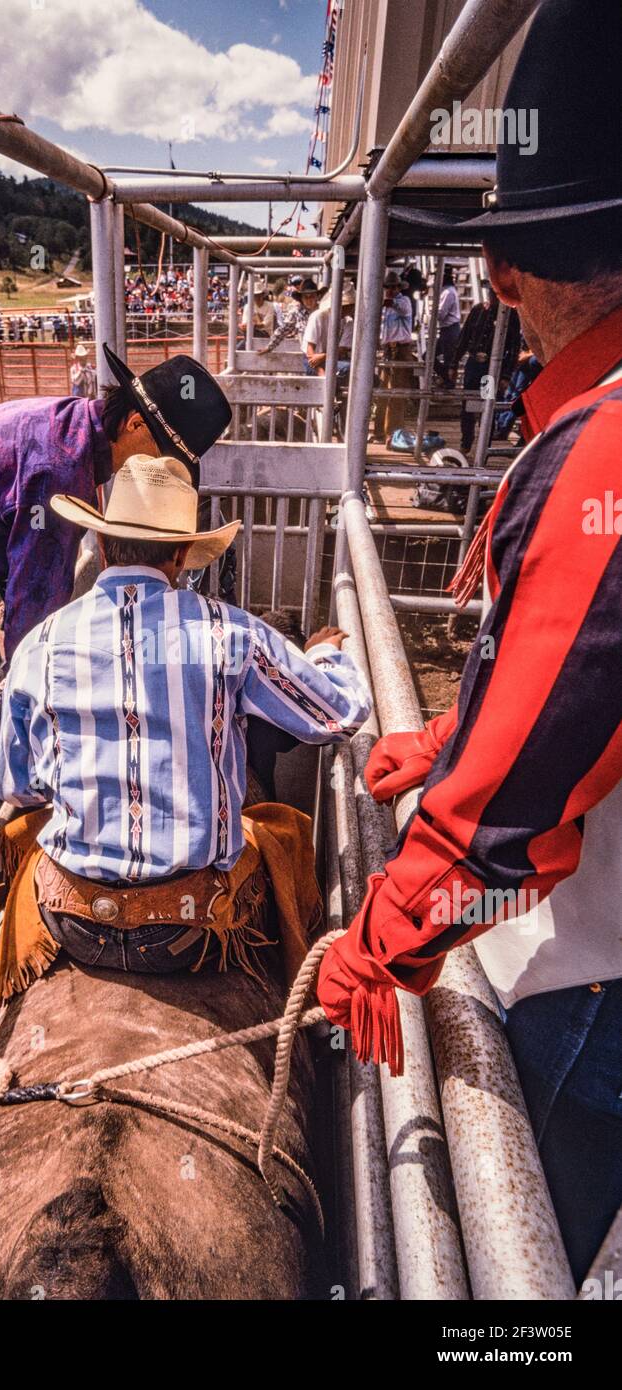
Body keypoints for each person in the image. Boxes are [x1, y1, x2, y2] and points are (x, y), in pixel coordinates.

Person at [318, 0, 622, 1285]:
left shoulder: (604, 448)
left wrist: (384, 932)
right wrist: (454, 728)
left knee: (523, 1238)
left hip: (601, 971)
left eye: (521, 247)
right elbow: (584, 683)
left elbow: (510, 818)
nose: (493, 278)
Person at [0, 453, 372, 989]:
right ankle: (308, 1000)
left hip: (73, 919)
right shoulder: (228, 633)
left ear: (100, 545)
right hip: (183, 930)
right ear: (186, 555)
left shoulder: (40, 644)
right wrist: (324, 658)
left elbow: (14, 784)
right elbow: (340, 716)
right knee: (286, 834)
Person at [0, 346, 231, 890]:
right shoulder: (60, 471)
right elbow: (35, 611)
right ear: (134, 423)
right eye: (164, 454)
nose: (162, 472)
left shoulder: (71, 433)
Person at [453, 286, 521, 452]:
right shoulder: (478, 310)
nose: (493, 297)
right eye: (492, 293)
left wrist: (505, 374)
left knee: (487, 405)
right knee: (468, 405)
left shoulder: (509, 315)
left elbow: (513, 346)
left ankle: (484, 445)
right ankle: (466, 442)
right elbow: (465, 337)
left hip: (490, 367)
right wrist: (453, 363)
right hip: (475, 364)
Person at [374, 269, 415, 444]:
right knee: (383, 392)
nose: (390, 289)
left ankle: (393, 433)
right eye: (387, 287)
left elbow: (402, 309)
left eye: (393, 287)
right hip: (388, 350)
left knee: (397, 393)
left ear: (399, 287)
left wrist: (388, 302)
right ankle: (380, 433)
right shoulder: (385, 306)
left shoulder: (404, 301)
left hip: (401, 349)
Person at [260, 277, 320, 359]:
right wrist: (269, 347)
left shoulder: (324, 311)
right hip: (309, 356)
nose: (309, 300)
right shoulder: (296, 312)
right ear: (301, 298)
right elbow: (284, 330)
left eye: (312, 296)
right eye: (306, 297)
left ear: (317, 297)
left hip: (325, 354)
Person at [434, 265, 462, 386]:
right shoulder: (447, 291)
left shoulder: (448, 292)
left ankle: (448, 383)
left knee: (448, 360)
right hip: (447, 330)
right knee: (428, 356)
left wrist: (432, 312)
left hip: (450, 329)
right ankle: (445, 377)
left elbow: (441, 314)